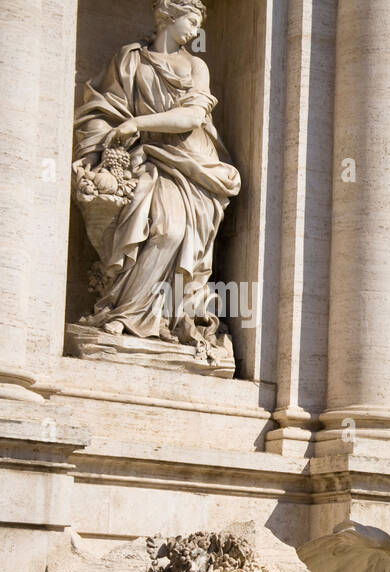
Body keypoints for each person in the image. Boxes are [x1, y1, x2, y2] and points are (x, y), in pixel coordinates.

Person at [72, 0, 241, 350]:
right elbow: (102, 108)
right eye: (191, 22)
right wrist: (96, 147)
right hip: (145, 158)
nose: (196, 32)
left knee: (172, 231)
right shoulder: (130, 59)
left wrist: (136, 123)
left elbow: (192, 118)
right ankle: (126, 312)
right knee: (155, 228)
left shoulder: (197, 66)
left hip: (194, 164)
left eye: (199, 25)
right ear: (169, 18)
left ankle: (140, 315)